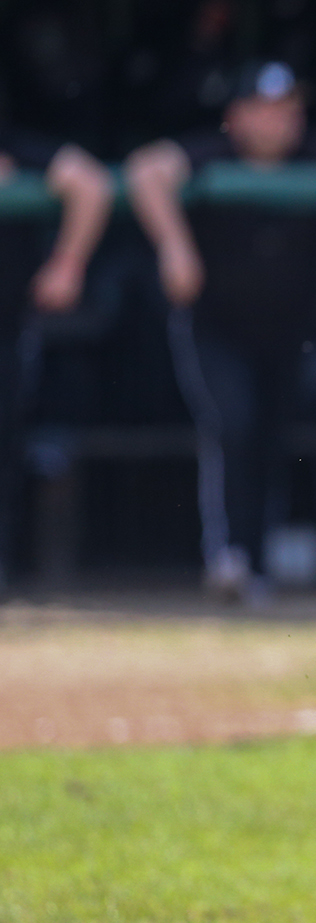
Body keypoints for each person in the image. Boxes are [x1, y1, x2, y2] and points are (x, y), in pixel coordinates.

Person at [125, 59, 316, 602]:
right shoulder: (211, 154)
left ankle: (256, 564)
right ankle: (229, 556)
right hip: (215, 325)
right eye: (263, 109)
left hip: (289, 329)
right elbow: (145, 170)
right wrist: (174, 245)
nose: (277, 121)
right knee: (233, 425)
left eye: (288, 110)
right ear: (236, 117)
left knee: (272, 437)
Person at [0, 124, 114, 589]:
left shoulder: (20, 148)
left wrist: (66, 263)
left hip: (7, 330)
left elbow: (92, 182)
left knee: (7, 442)